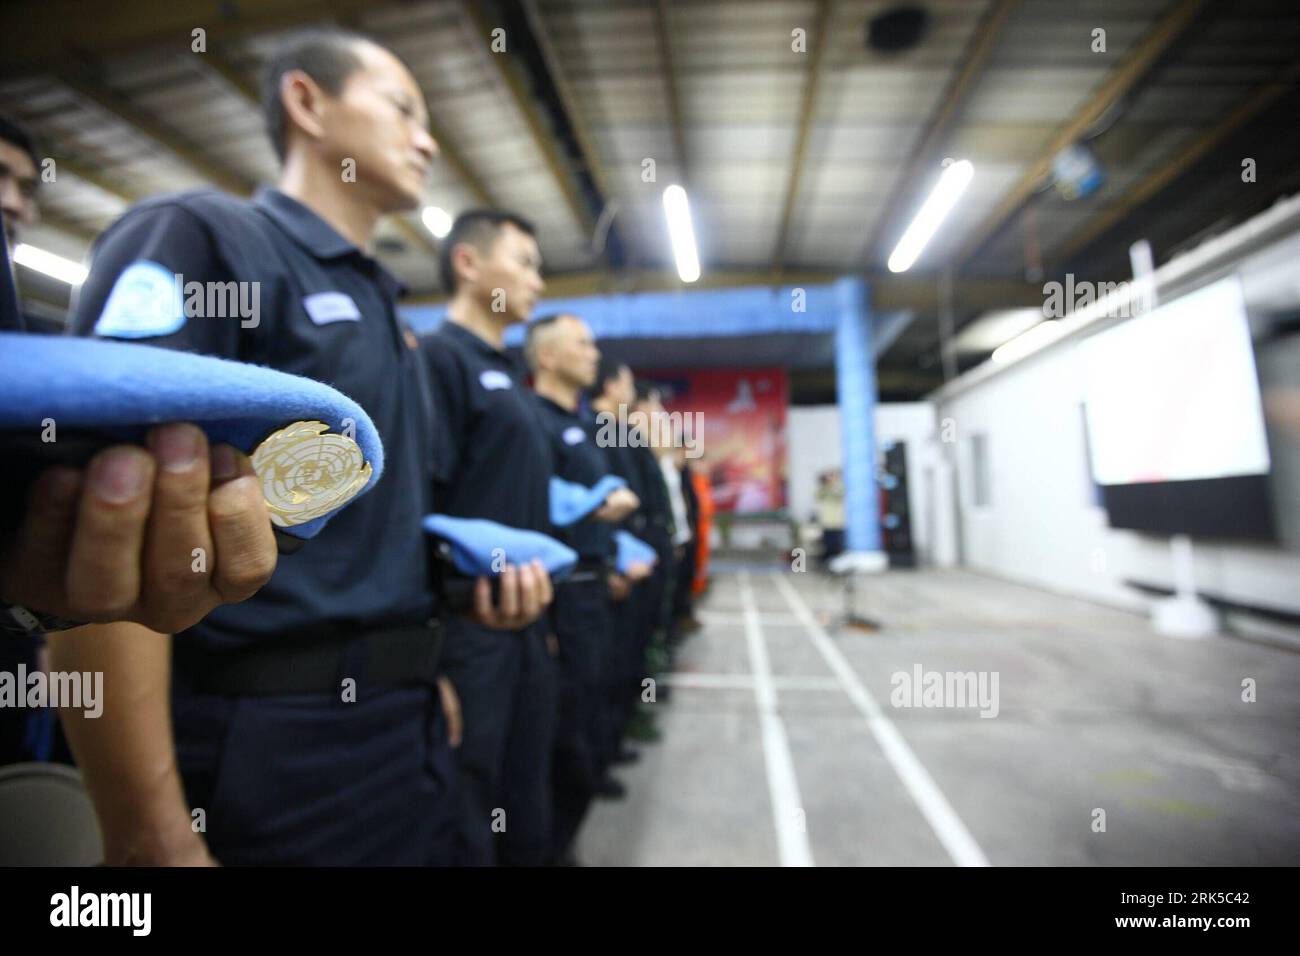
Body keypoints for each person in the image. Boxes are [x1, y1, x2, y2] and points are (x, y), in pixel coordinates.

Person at [58, 28, 549, 866]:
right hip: (269, 738)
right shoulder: (207, 241)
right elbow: (100, 546)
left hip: (404, 727)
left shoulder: (390, 315)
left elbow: (376, 541)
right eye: (403, 108)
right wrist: (149, 834)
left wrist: (419, 671)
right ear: (306, 102)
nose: (428, 139)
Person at [419, 208, 558, 866]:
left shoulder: (510, 379)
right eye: (525, 264)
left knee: (525, 791)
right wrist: (432, 655)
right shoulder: (439, 362)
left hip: (524, 619)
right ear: (469, 265)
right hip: (469, 632)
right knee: (468, 804)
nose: (538, 282)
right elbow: (421, 508)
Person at [526, 313, 638, 863]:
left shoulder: (577, 425)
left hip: (593, 586)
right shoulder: (529, 422)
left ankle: (563, 837)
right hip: (559, 593)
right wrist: (593, 504)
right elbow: (532, 504)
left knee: (586, 710)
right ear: (546, 356)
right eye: (582, 343)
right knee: (561, 730)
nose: (594, 354)